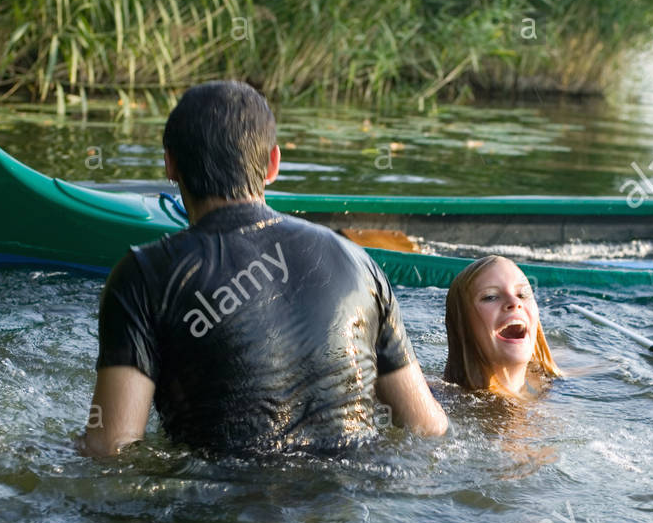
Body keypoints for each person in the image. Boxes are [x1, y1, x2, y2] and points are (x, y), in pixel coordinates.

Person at [84, 80, 448, 457]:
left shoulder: (143, 275)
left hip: (218, 508)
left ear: (170, 164)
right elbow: (428, 428)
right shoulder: (359, 262)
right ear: (273, 163)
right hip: (343, 507)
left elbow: (112, 448)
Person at [444, 255, 561, 400]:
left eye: (522, 294)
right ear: (463, 327)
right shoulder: (443, 402)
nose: (514, 302)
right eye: (491, 297)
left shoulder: (556, 382)